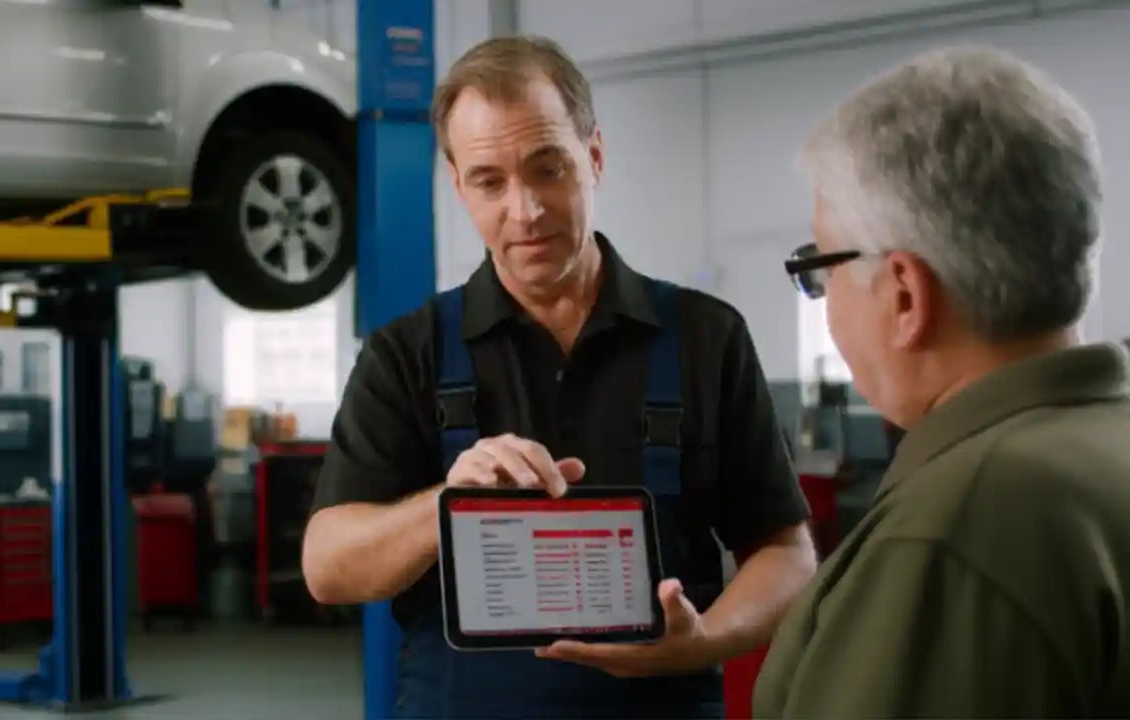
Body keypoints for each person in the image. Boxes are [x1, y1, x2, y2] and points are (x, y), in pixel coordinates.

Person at [302, 35, 817, 719]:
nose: (526, 210)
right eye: (490, 181)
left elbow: (786, 553)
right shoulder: (408, 353)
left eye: (548, 169)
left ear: (593, 157)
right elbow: (328, 567)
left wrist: (704, 640)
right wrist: (448, 503)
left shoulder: (704, 336)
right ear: (458, 184)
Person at [754, 45, 1130, 718]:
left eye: (826, 266)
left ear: (904, 295)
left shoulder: (959, 529)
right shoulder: (1104, 441)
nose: (827, 295)